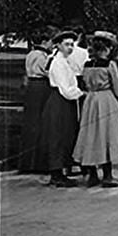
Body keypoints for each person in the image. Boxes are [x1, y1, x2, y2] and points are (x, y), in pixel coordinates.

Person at [72, 32, 118, 187]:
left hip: (90, 100)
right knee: (107, 135)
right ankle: (107, 175)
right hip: (106, 100)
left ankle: (92, 174)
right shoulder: (110, 65)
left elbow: (84, 83)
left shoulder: (87, 65)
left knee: (90, 135)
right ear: (107, 48)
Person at [39, 30, 86, 186]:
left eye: (72, 44)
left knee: (65, 134)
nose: (70, 48)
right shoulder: (58, 63)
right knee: (57, 135)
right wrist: (81, 93)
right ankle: (56, 173)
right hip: (59, 101)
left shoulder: (65, 61)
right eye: (66, 44)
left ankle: (61, 171)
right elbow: (66, 89)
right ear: (58, 45)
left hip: (66, 102)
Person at [18, 29, 55, 174]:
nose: (52, 44)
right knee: (41, 122)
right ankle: (39, 162)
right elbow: (46, 72)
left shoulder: (30, 54)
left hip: (31, 88)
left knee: (31, 122)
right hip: (41, 87)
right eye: (50, 42)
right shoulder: (42, 57)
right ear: (45, 42)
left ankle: (28, 161)